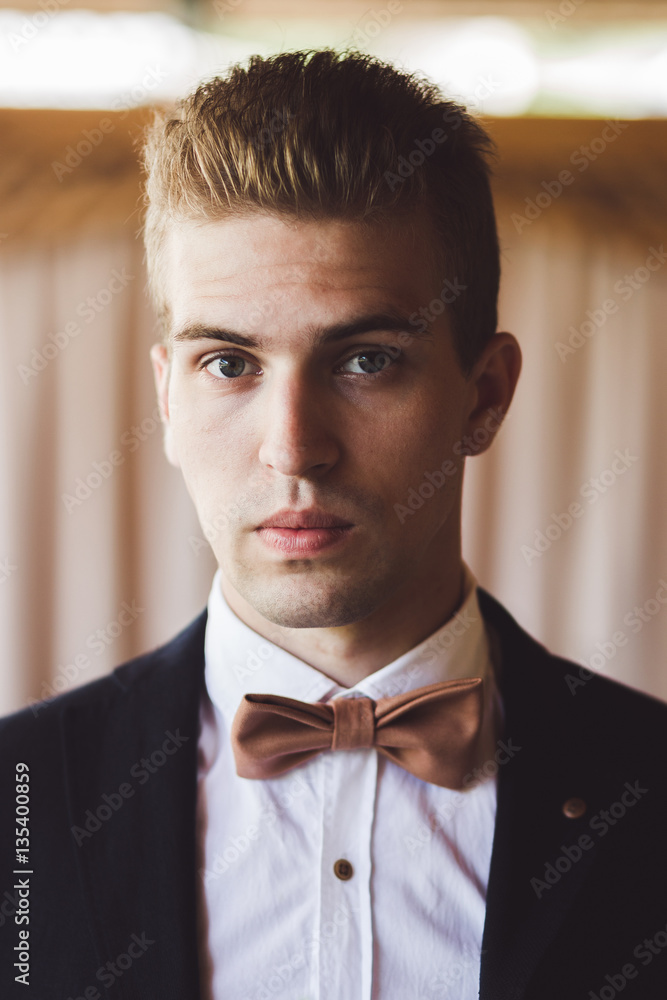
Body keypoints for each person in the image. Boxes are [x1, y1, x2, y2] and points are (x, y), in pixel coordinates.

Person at [1, 48, 665, 1000]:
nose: (294, 449)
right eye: (229, 364)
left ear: (485, 394)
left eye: (364, 362)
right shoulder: (18, 800)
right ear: (168, 401)